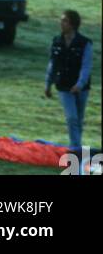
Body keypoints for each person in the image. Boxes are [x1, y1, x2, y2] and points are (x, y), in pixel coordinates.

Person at [45, 9, 93, 155]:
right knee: (71, 117)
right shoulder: (57, 41)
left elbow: (86, 66)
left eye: (64, 21)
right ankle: (76, 150)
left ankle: (76, 147)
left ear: (72, 24)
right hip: (64, 87)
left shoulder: (85, 43)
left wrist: (79, 84)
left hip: (81, 88)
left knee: (78, 119)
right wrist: (48, 84)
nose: (61, 23)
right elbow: (52, 64)